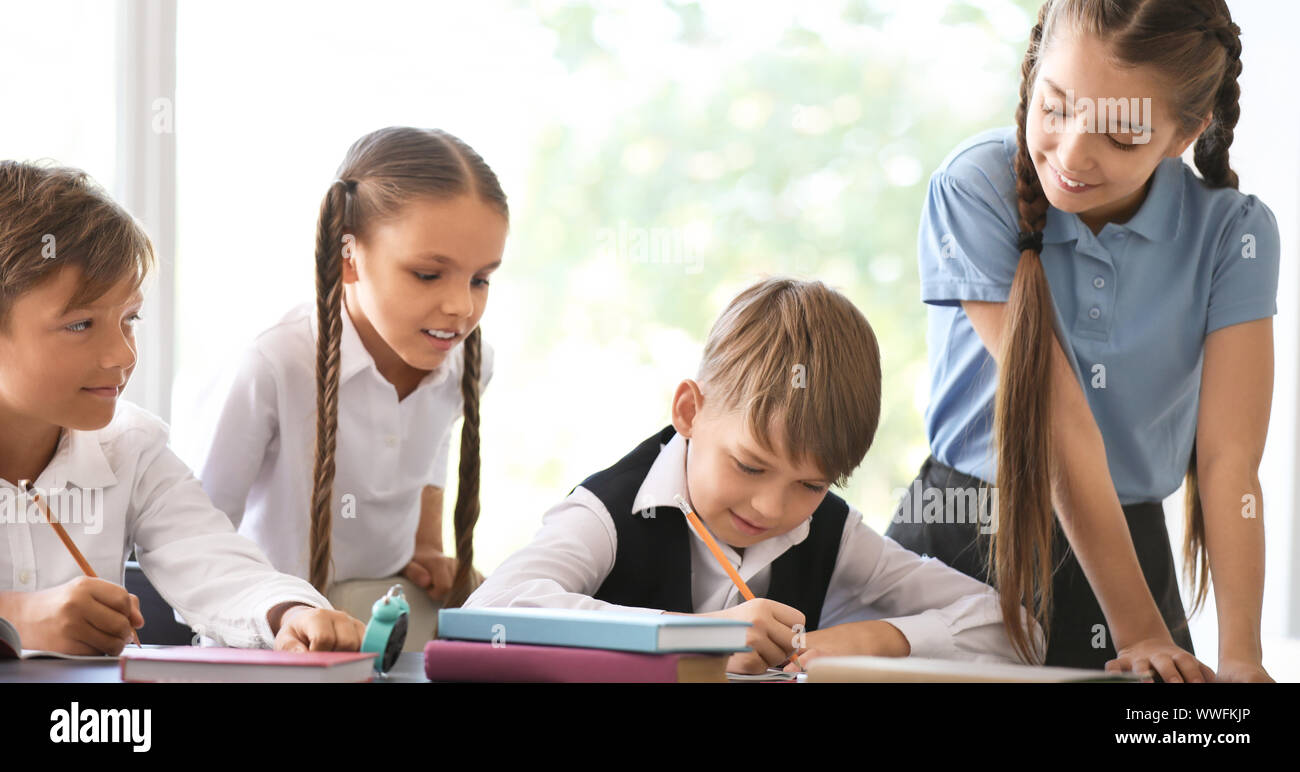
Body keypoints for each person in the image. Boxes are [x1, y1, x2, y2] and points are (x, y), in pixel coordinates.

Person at [890, 0, 1277, 682]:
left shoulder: (1235, 233)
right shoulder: (977, 186)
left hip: (1131, 551)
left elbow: (1231, 461)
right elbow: (1057, 422)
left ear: (1186, 133)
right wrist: (1142, 631)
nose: (1069, 154)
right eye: (1055, 106)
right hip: (962, 542)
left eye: (1120, 134)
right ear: (1032, 75)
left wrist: (1242, 659)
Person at [466, 277, 1040, 674]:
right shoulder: (607, 513)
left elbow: (1019, 634)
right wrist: (697, 638)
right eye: (749, 465)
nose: (770, 508)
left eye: (811, 485)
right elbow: (487, 615)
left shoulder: (832, 534)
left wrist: (876, 638)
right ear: (689, 412)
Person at [0, 161, 362, 654]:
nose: (123, 355)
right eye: (81, 324)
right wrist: (15, 617)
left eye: (129, 319)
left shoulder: (131, 448)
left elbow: (211, 559)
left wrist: (289, 613)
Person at [198, 127, 507, 609]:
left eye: (481, 279)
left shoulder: (471, 363)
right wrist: (277, 614)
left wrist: (426, 545)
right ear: (348, 256)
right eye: (427, 274)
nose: (460, 306)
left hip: (383, 631)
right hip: (266, 646)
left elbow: (434, 443)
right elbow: (196, 540)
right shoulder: (275, 363)